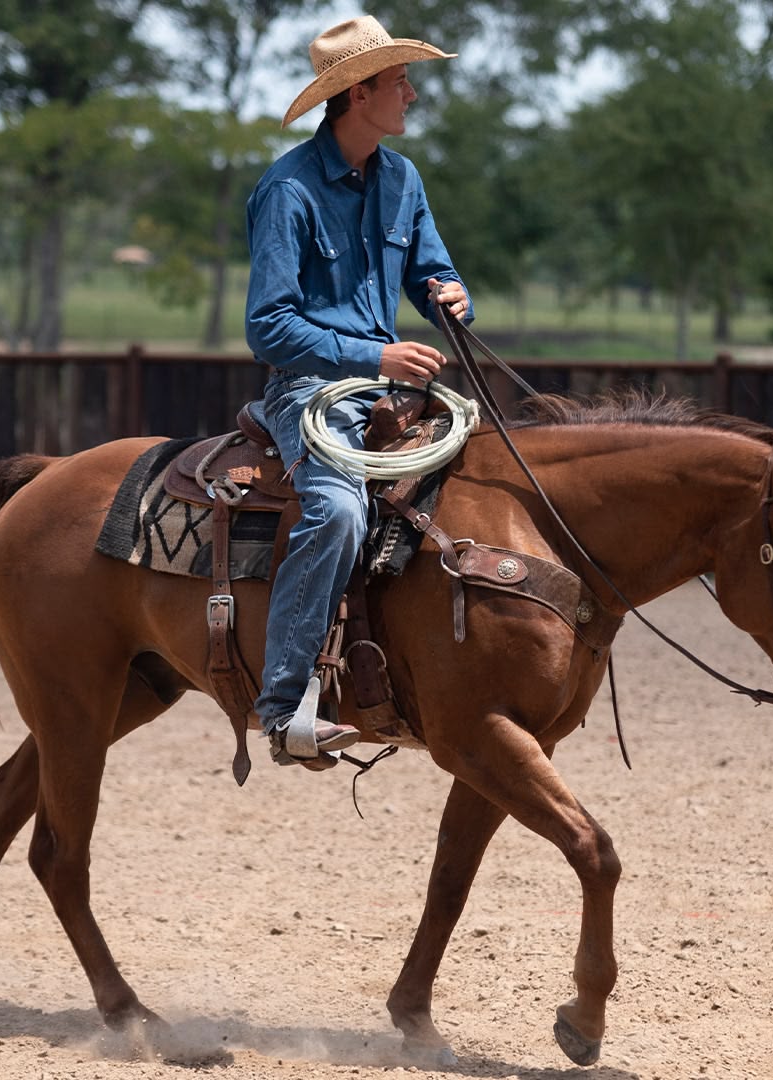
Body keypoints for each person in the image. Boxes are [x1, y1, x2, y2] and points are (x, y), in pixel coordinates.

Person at [243, 14, 472, 768]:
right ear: (357, 94)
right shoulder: (288, 191)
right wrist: (377, 356)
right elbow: (269, 328)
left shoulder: (402, 180)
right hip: (307, 389)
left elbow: (430, 270)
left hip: (392, 388)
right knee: (338, 508)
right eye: (399, 81)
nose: (410, 93)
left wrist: (450, 294)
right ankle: (283, 707)